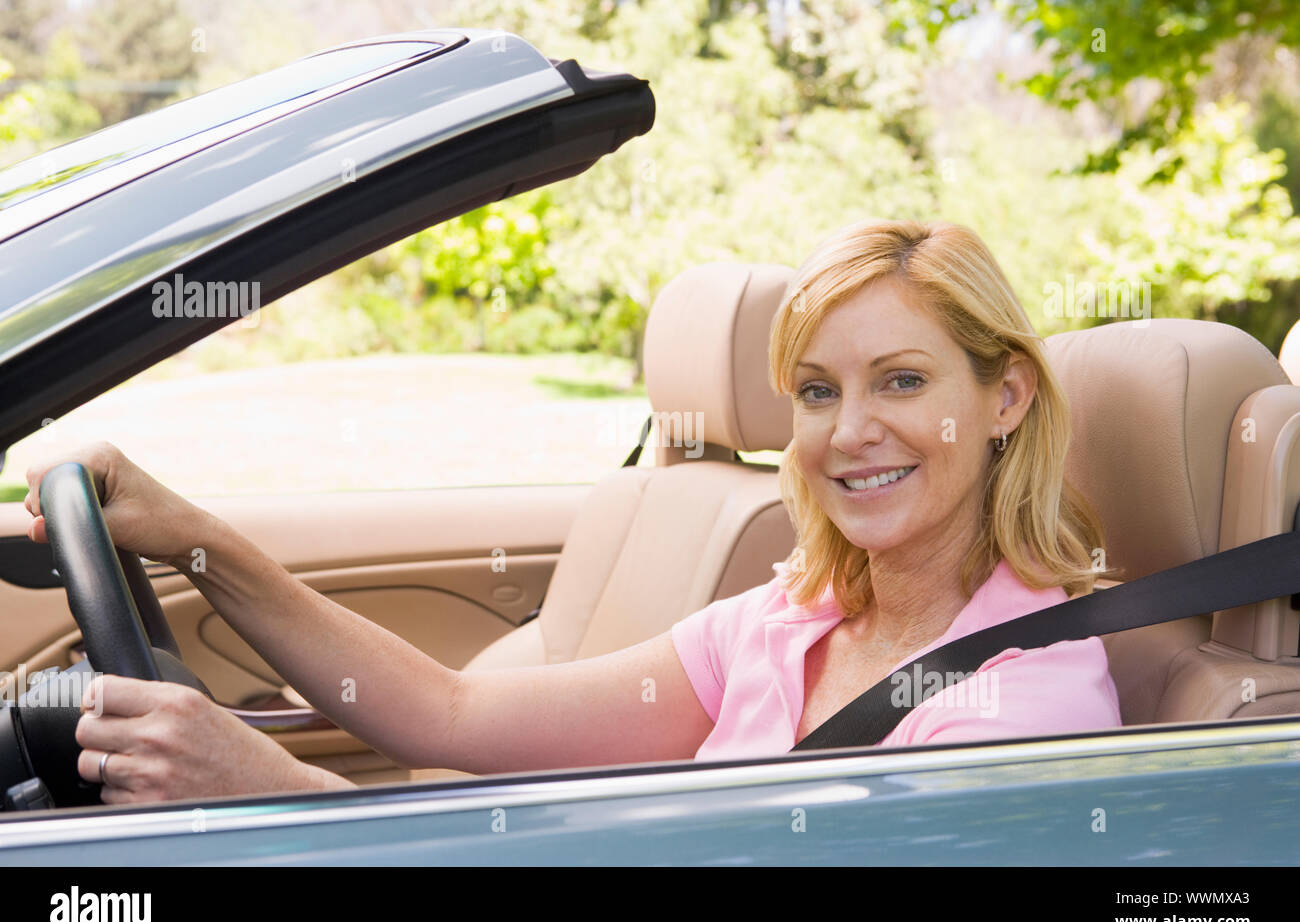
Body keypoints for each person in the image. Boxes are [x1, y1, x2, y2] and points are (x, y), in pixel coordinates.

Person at [23, 218, 1122, 804]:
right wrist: (201, 541)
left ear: (1004, 397)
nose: (848, 431)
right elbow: (453, 716)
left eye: (902, 380)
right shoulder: (797, 619)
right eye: (819, 392)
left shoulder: (1016, 706)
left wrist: (280, 793)